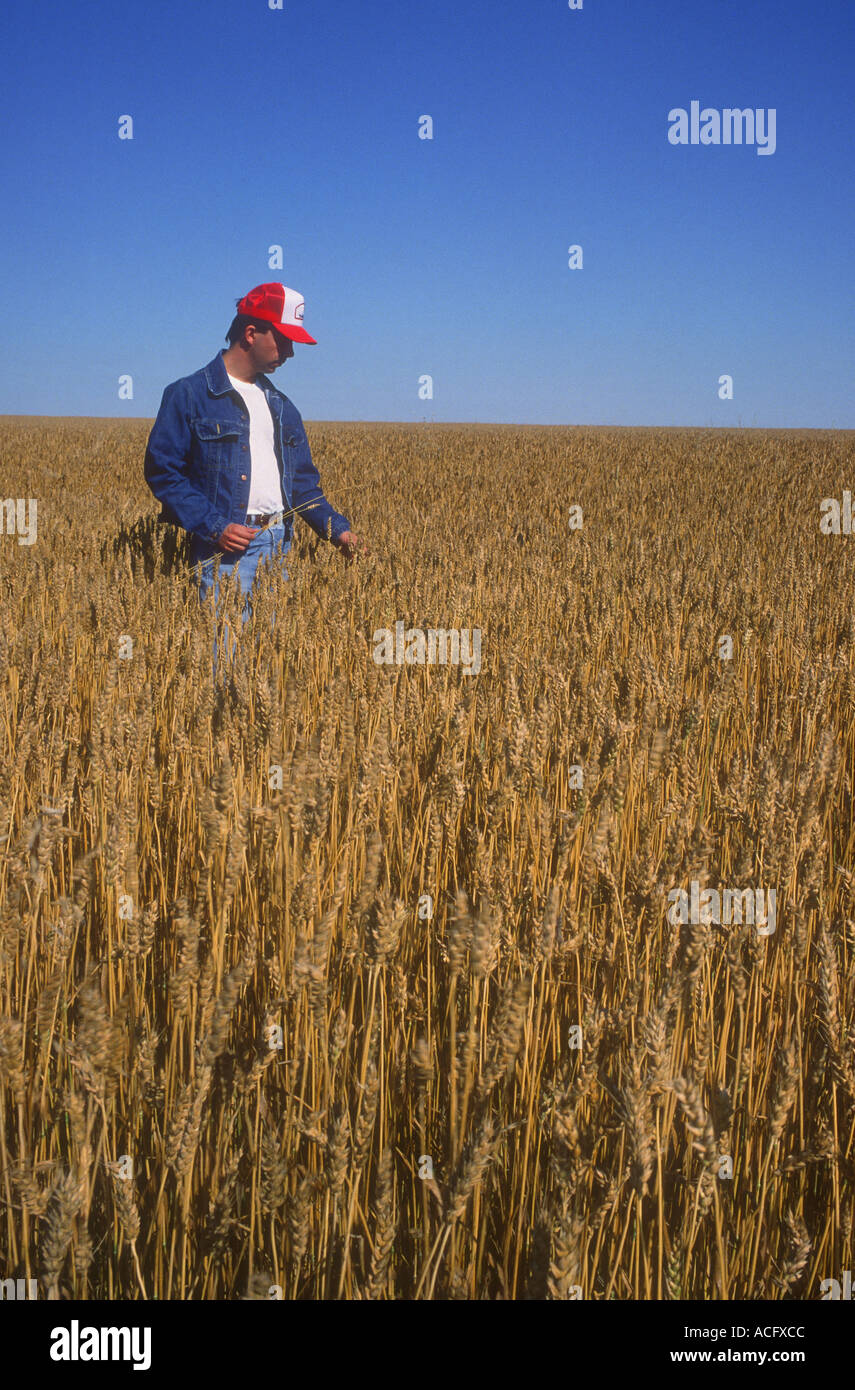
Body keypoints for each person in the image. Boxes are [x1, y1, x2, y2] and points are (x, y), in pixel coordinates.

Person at [143, 281, 367, 668]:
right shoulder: (189, 395)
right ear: (251, 333)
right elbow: (163, 472)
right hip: (227, 550)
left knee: (268, 668)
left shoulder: (282, 406)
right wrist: (214, 526)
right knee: (223, 668)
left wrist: (338, 530)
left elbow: (301, 485)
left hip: (279, 546)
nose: (291, 352)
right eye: (283, 340)